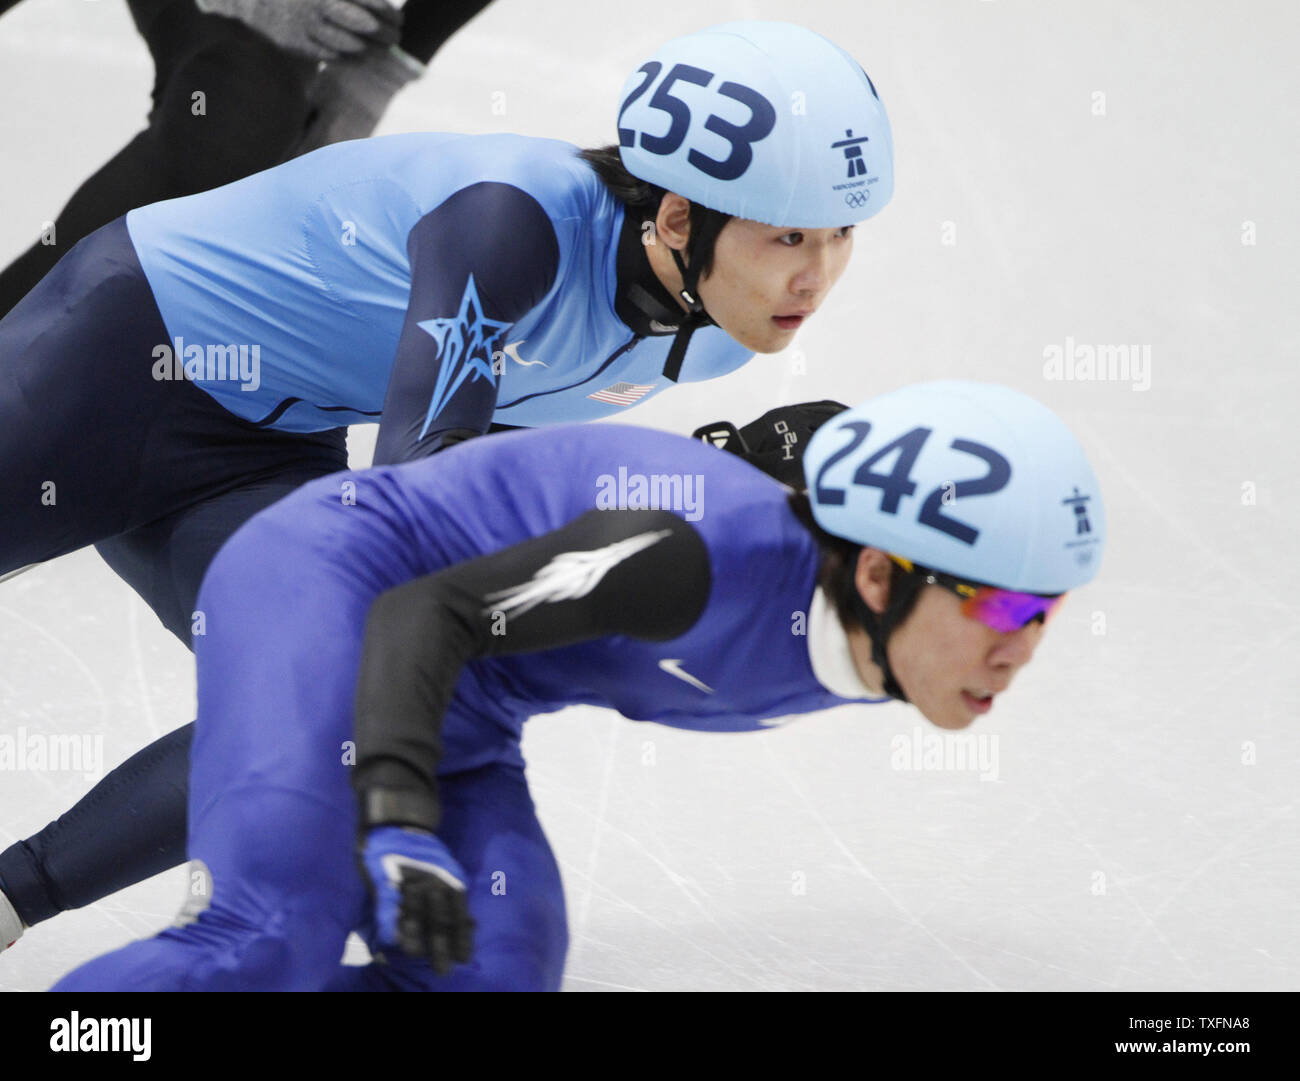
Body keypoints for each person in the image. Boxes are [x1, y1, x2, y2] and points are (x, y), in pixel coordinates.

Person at [0, 20, 894, 952]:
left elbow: (494, 479)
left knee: (343, 691)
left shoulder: (713, 330)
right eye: (790, 235)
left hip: (264, 451)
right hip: (114, 358)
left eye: (841, 234)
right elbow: (416, 509)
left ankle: (11, 896)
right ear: (678, 219)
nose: (818, 275)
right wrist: (696, 495)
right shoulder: (509, 222)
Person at [47, 380, 1107, 990]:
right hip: (339, 587)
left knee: (494, 969)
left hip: (466, 699)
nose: (1022, 649)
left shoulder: (892, 628)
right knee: (271, 932)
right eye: (1006, 607)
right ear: (876, 572)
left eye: (1047, 613)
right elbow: (427, 613)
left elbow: (812, 437)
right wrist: (400, 817)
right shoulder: (681, 558)